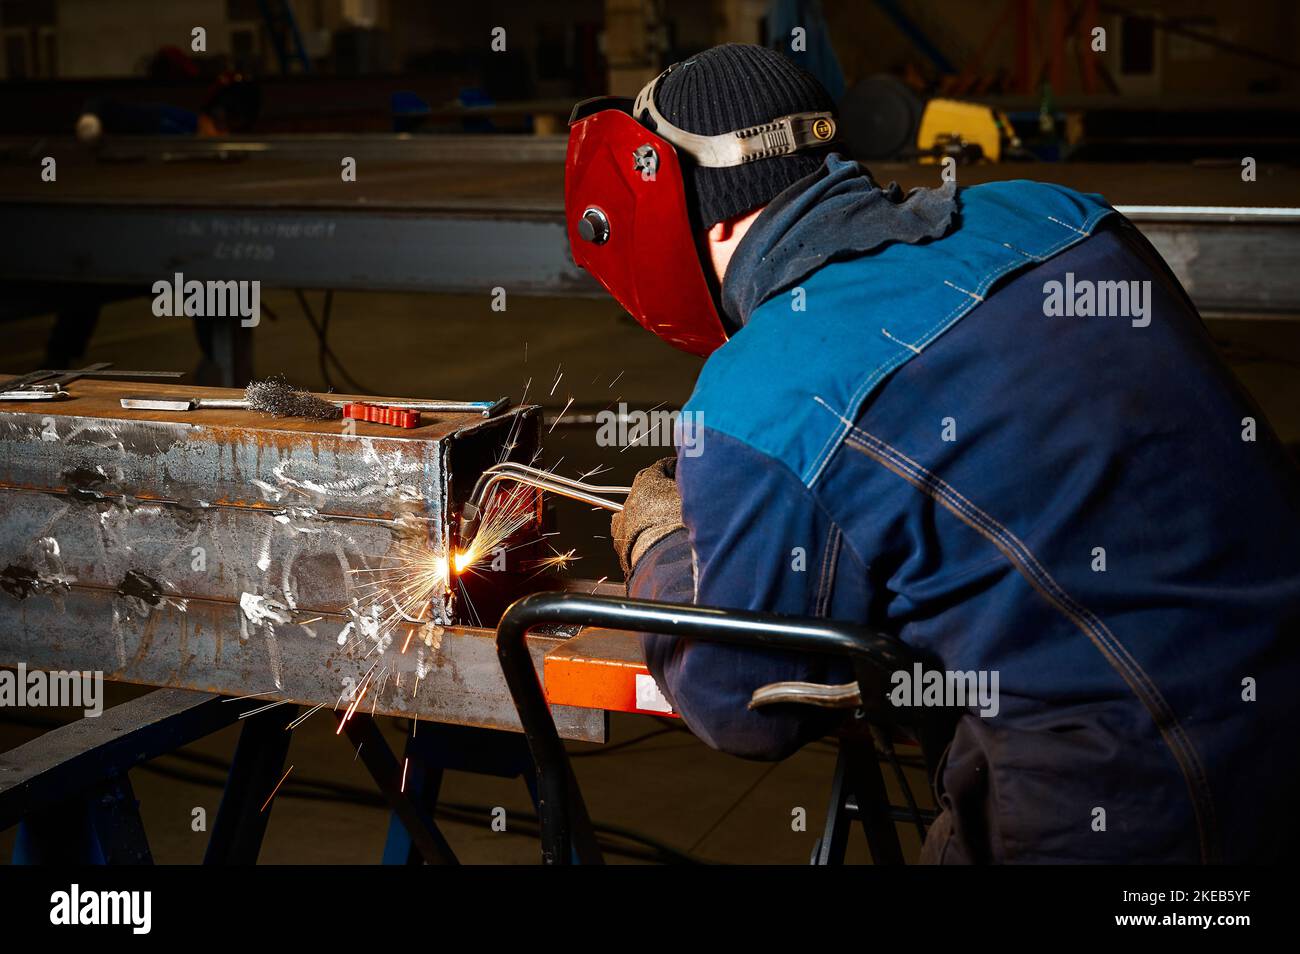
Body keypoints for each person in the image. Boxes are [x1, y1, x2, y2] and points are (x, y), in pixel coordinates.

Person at [565, 43, 1300, 863]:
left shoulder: (759, 397)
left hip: (1125, 805)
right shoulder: (1060, 215)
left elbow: (741, 702)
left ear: (700, 206)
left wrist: (661, 547)